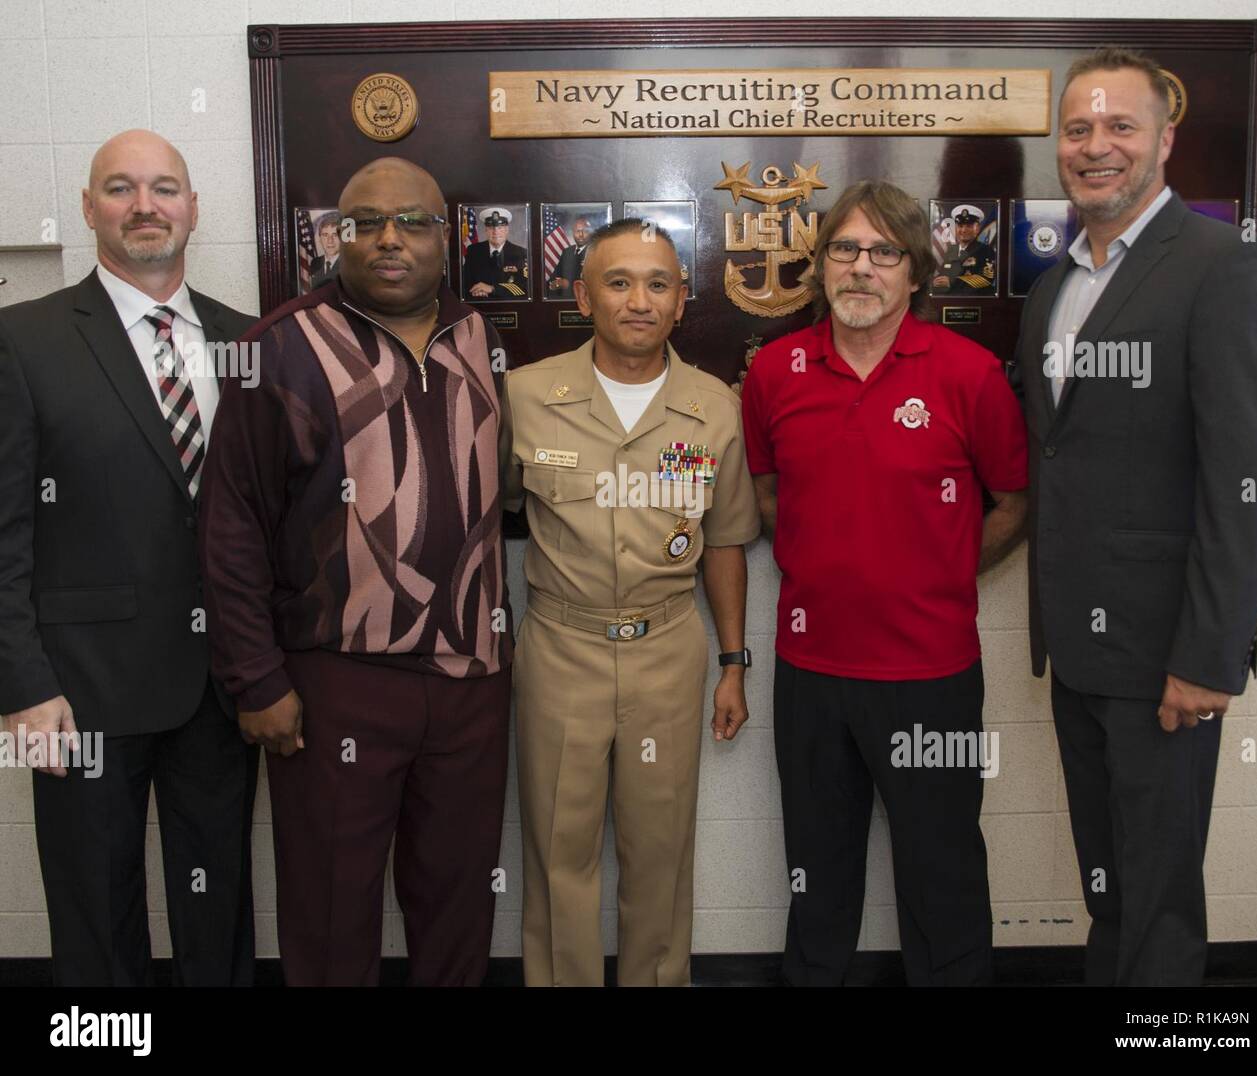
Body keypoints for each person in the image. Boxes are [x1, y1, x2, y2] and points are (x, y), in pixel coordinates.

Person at [1011, 46, 1257, 987]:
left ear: (1166, 138)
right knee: (1112, 888)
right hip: (1079, 652)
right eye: (1079, 128)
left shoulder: (1230, 269)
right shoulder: (1053, 290)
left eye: (1121, 126)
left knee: (1161, 899)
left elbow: (1249, 479)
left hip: (1168, 656)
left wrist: (1208, 658)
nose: (1097, 146)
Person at [198, 158, 513, 987]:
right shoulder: (275, 350)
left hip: (470, 681)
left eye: (410, 221)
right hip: (336, 680)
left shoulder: (479, 335)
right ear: (336, 237)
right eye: (365, 222)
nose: (387, 239)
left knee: (458, 906)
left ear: (444, 239)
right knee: (331, 910)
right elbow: (229, 528)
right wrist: (255, 681)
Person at [742, 180, 1028, 987]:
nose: (860, 268)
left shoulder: (969, 375)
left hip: (933, 678)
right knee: (816, 877)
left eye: (883, 252)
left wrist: (935, 570)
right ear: (820, 264)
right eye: (843, 249)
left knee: (944, 879)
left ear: (915, 272)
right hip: (811, 677)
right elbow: (767, 493)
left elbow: (1015, 503)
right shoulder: (774, 370)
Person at [0, 129, 258, 986]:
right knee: (95, 903)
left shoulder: (246, 340)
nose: (144, 206)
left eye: (163, 188)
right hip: (78, 691)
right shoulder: (23, 340)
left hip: (222, 685)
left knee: (216, 900)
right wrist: (23, 687)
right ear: (87, 208)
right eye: (119, 188)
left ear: (192, 207)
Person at [500, 218, 760, 986]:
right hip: (559, 652)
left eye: (657, 284)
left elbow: (725, 541)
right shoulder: (523, 396)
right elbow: (490, 517)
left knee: (660, 851)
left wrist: (735, 663)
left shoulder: (714, 408)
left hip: (666, 652)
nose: (637, 301)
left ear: (682, 302)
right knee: (559, 853)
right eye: (617, 282)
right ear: (583, 295)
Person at [463, 206, 529, 299]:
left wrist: (492, 289)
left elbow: (526, 287)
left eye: (500, 227)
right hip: (479, 304)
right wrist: (475, 291)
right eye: (491, 228)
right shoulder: (474, 251)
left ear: (507, 230)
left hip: (510, 306)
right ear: (486, 230)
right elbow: (465, 281)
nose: (495, 232)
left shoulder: (521, 253)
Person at [932, 204, 996, 294]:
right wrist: (936, 282)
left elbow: (985, 279)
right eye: (960, 226)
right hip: (948, 302)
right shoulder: (951, 250)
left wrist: (952, 282)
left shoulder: (986, 251)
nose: (963, 230)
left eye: (968, 226)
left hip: (976, 303)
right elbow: (944, 275)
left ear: (977, 228)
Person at [548, 215, 592, 299]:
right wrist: (555, 282)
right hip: (564, 299)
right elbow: (555, 274)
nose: (581, 235)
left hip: (586, 300)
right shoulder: (567, 251)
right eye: (577, 231)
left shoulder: (595, 252)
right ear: (572, 232)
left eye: (585, 231)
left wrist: (568, 284)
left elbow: (594, 282)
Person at [308, 211, 342, 289]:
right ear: (320, 239)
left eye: (335, 235)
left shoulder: (349, 264)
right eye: (325, 235)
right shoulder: (315, 263)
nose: (330, 240)